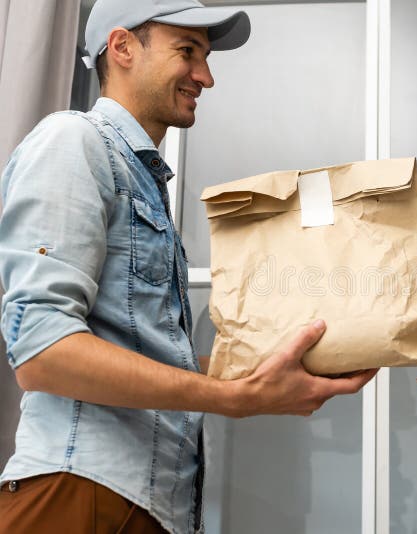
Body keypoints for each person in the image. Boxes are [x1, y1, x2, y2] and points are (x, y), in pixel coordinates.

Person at [0, 1, 376, 532]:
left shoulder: (143, 182)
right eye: (188, 51)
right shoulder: (73, 141)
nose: (206, 76)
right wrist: (234, 398)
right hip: (78, 495)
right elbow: (43, 351)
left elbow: (145, 352)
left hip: (149, 509)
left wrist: (285, 363)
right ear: (123, 47)